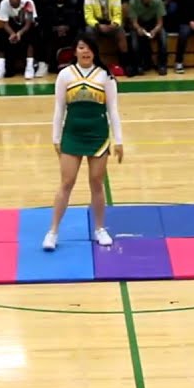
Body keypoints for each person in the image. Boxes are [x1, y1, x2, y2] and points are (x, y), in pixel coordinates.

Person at [44, 34, 124, 252]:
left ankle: (99, 229)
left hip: (98, 135)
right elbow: (59, 109)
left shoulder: (105, 76)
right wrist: (56, 138)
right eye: (81, 47)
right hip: (72, 134)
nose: (85, 51)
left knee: (96, 183)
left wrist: (119, 140)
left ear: (95, 52)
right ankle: (52, 231)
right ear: (75, 51)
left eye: (89, 48)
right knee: (66, 183)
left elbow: (113, 110)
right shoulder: (65, 75)